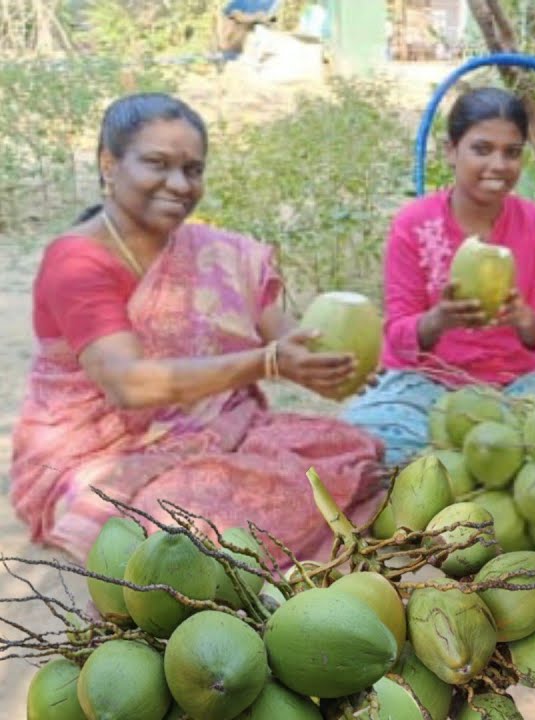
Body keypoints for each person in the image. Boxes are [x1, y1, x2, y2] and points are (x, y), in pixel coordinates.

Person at [9, 93, 383, 562]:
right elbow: (127, 384)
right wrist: (268, 363)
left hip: (222, 424)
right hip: (104, 451)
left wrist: (323, 363)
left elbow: (284, 335)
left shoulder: (217, 251)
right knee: (189, 537)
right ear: (109, 163)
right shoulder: (79, 261)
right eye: (157, 164)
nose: (178, 184)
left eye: (193, 170)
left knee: (350, 456)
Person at [342, 87, 535, 468]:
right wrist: (439, 320)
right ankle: (488, 463)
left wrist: (524, 319)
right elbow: (396, 332)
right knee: (364, 437)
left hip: (517, 388)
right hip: (429, 386)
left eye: (511, 152)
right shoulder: (413, 225)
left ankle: (478, 462)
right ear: (451, 151)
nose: (498, 164)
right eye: (482, 149)